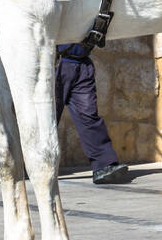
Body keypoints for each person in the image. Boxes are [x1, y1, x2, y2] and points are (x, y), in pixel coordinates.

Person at [55, 43, 130, 184]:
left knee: (88, 115)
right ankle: (25, 166)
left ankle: (103, 165)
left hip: (82, 63)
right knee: (46, 118)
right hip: (56, 63)